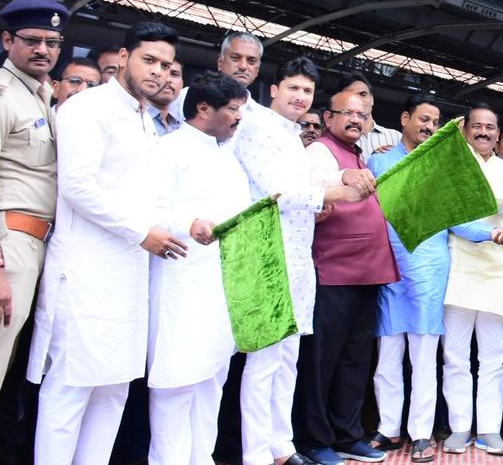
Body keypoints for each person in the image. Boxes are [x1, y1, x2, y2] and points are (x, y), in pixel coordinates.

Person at [27, 21, 185, 464]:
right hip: (86, 269)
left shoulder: (144, 120)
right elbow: (78, 186)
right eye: (148, 60)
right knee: (70, 389)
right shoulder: (88, 108)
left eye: (167, 65)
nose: (158, 72)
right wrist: (141, 233)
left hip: (131, 272)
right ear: (124, 57)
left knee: (114, 388)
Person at [233, 58, 366, 465]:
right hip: (267, 255)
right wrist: (333, 195)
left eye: (307, 91)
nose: (300, 97)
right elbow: (277, 191)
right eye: (293, 88)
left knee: (288, 358)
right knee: (265, 360)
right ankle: (256, 453)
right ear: (273, 90)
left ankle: (282, 446)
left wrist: (320, 200)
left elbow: (301, 190)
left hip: (298, 256)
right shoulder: (254, 127)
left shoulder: (293, 136)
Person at [368, 93, 491, 463]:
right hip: (388, 270)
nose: (428, 127)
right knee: (387, 355)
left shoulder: (439, 168)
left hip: (428, 271)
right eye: (423, 119)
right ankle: (388, 428)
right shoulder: (379, 161)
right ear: (404, 118)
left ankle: (420, 433)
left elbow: (457, 218)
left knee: (423, 356)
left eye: (435, 122)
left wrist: (490, 233)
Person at [0, 0, 67, 463]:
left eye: (53, 42)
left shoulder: (41, 95)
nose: (44, 50)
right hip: (6, 244)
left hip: (29, 245)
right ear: (8, 40)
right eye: (32, 40)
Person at [147, 72, 251, 464]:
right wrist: (190, 225)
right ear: (204, 108)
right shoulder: (169, 149)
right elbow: (154, 209)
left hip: (223, 284)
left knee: (212, 381)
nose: (239, 118)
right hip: (182, 276)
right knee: (177, 383)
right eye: (234, 109)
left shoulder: (227, 157)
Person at [297, 90, 398, 465]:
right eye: (348, 113)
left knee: (355, 361)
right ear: (328, 117)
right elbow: (313, 187)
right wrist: (344, 175)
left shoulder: (361, 154)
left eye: (363, 115)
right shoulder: (319, 152)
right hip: (333, 272)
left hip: (367, 272)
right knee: (322, 361)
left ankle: (347, 434)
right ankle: (314, 439)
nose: (356, 120)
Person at [440, 104, 503, 457]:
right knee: (455, 355)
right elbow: (451, 216)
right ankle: (459, 427)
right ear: (466, 130)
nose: (484, 133)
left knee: (494, 356)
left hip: (496, 271)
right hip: (460, 266)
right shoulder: (453, 167)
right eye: (478, 126)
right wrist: (490, 230)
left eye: (490, 127)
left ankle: (489, 430)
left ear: (498, 134)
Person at [337, 72, 401, 160]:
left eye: (363, 94)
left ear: (372, 99)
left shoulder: (396, 137)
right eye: (351, 96)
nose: (359, 100)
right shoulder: (336, 140)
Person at [148, 58, 184, 135]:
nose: (168, 80)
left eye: (174, 74)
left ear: (182, 84)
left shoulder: (181, 125)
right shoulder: (133, 117)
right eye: (163, 71)